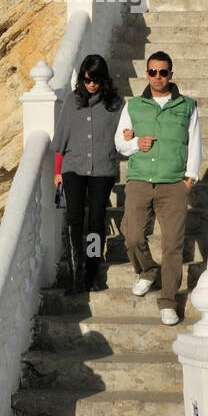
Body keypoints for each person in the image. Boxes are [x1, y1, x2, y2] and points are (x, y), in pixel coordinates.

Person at [115, 50, 201, 325]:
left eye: (163, 72)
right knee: (131, 236)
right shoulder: (133, 106)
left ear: (171, 75)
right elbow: (120, 142)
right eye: (152, 71)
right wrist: (134, 143)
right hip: (140, 178)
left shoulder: (187, 105)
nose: (157, 77)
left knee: (172, 245)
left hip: (173, 182)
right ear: (147, 74)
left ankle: (167, 301)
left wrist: (189, 179)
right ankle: (148, 270)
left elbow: (195, 142)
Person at [52, 53, 124, 295]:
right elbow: (61, 139)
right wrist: (57, 172)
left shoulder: (116, 104)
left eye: (95, 79)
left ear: (103, 79)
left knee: (96, 221)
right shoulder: (73, 102)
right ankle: (75, 273)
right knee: (74, 219)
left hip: (102, 171)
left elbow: (124, 134)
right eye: (86, 79)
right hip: (73, 169)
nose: (90, 84)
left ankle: (91, 273)